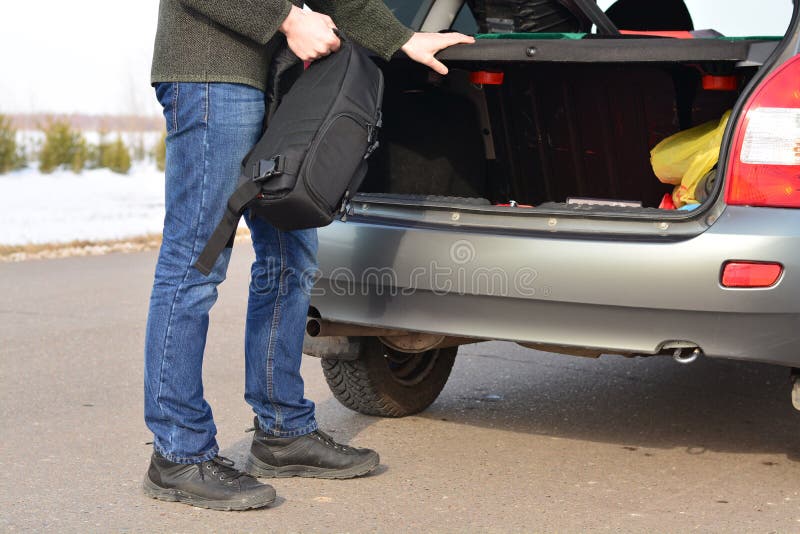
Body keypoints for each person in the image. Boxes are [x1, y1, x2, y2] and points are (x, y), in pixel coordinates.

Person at [143, 0, 474, 511]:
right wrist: (288, 17)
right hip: (214, 72)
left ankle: (283, 432)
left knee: (291, 257)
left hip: (286, 77)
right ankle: (178, 453)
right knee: (197, 264)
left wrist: (401, 38)